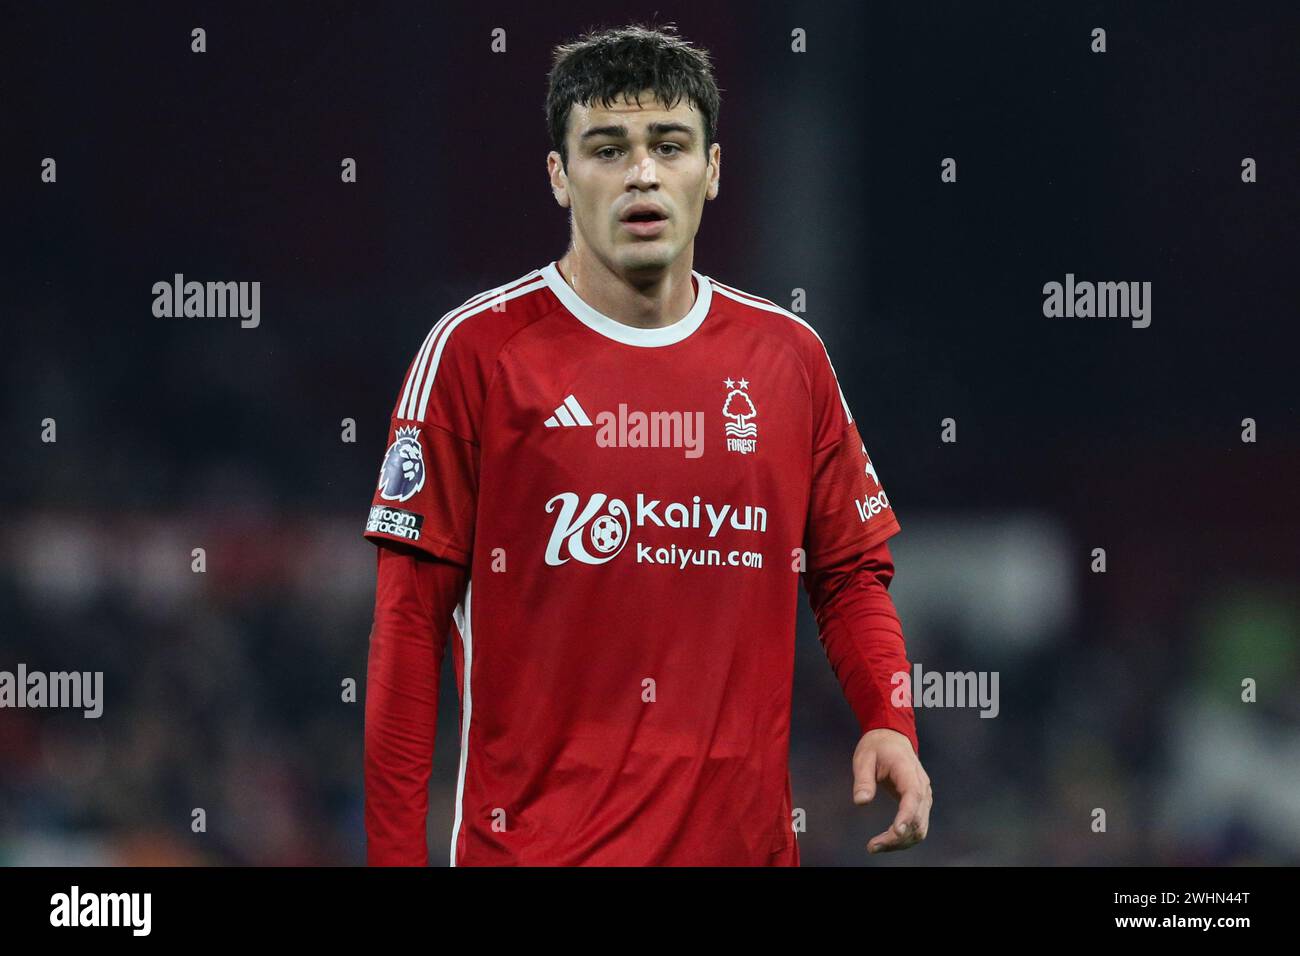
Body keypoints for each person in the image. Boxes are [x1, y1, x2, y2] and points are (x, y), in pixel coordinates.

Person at [362, 22, 932, 866]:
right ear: (559, 175)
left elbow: (849, 573)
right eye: (606, 147)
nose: (642, 173)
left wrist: (889, 719)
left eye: (669, 144)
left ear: (711, 170)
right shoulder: (476, 356)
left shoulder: (789, 361)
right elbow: (409, 626)